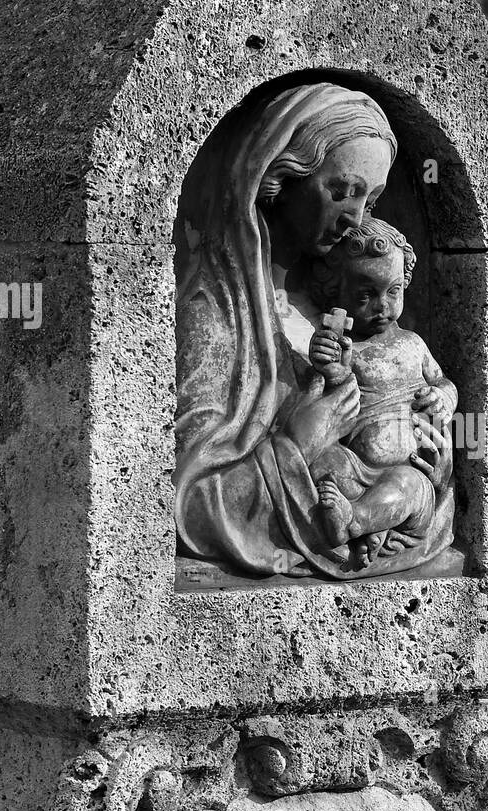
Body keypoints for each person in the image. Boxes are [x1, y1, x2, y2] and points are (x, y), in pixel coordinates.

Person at [174, 81, 455, 578]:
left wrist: (436, 461)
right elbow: (191, 501)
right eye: (342, 191)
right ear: (278, 179)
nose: (356, 217)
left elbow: (421, 401)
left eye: (370, 197)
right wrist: (298, 444)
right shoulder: (215, 310)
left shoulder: (359, 298)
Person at [305, 216, 457, 568]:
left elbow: (445, 383)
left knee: (404, 487)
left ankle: (356, 521)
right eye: (366, 295)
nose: (382, 306)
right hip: (356, 470)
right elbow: (318, 412)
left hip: (412, 473)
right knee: (323, 462)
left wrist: (445, 399)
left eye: (393, 291)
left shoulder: (413, 345)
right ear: (337, 294)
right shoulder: (347, 350)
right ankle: (373, 524)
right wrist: (332, 374)